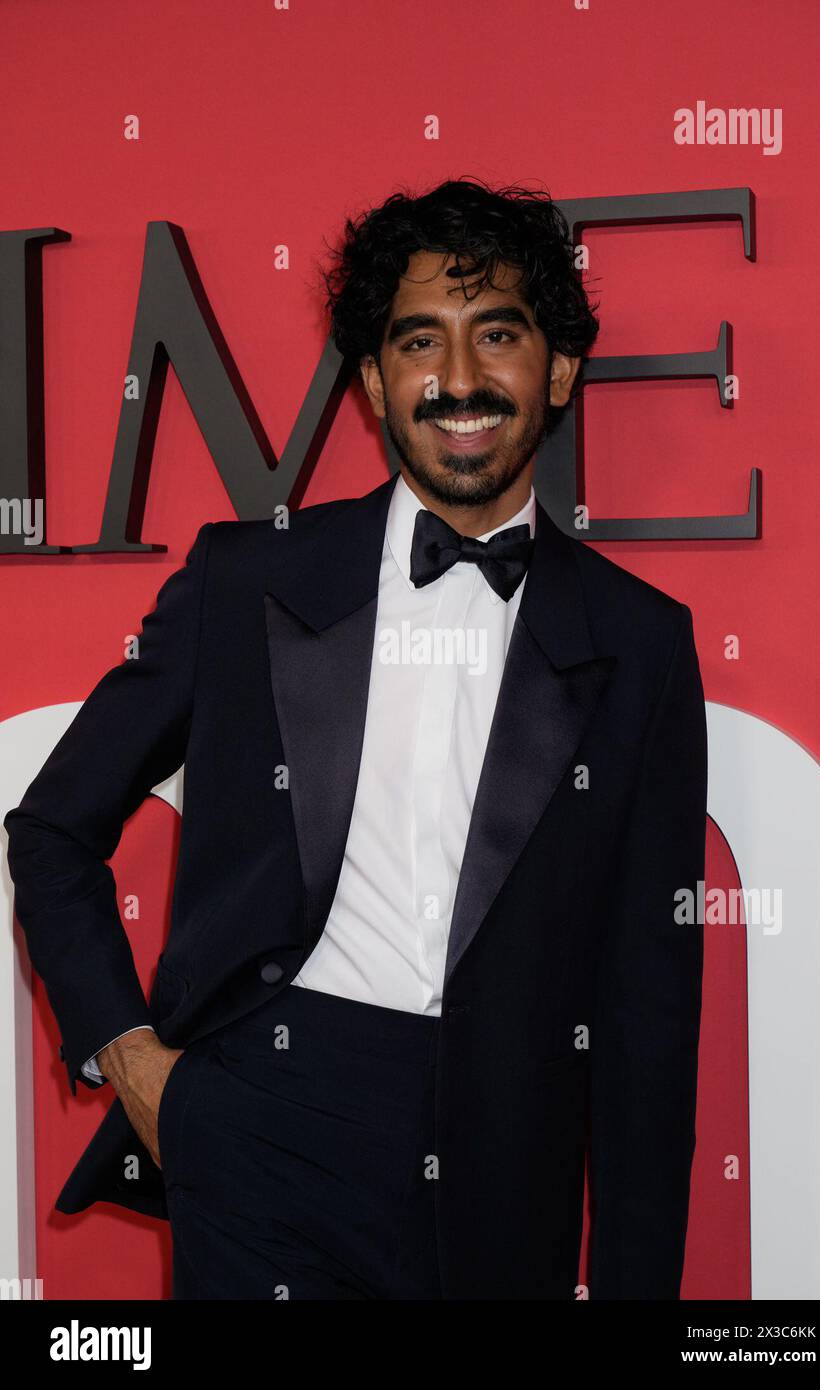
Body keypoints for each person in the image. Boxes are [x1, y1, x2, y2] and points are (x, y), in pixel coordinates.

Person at [4, 177, 708, 1300]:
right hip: (258, 1123)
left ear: (559, 369)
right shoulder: (247, 582)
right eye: (419, 342)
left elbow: (645, 1024)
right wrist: (137, 1065)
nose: (460, 381)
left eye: (499, 336)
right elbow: (50, 827)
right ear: (375, 380)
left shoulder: (638, 643)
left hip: (503, 1164)